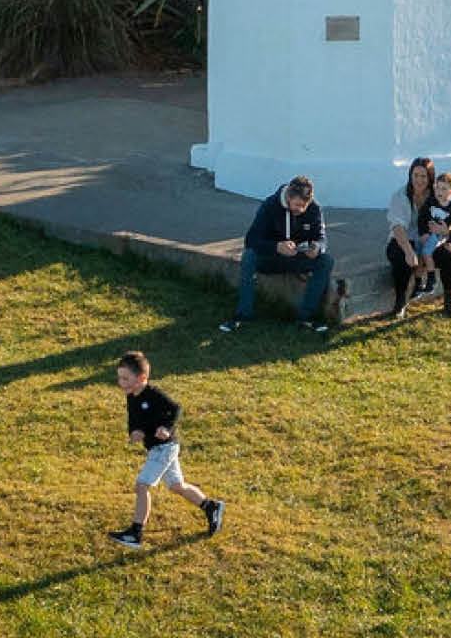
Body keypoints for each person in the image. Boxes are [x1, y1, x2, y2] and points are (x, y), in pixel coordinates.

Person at [110, 350, 221, 550]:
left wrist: (166, 428)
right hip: (157, 448)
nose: (121, 382)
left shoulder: (153, 394)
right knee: (177, 486)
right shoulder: (131, 397)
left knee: (142, 486)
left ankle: (135, 533)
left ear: (142, 378)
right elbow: (133, 420)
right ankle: (210, 506)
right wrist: (134, 431)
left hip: (165, 447)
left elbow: (175, 409)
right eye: (119, 378)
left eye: (126, 378)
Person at [227, 175, 333, 332]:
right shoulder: (270, 206)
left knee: (326, 261)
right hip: (271, 258)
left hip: (297, 258)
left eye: (304, 205)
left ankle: (306, 317)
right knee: (249, 256)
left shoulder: (314, 208)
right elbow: (251, 240)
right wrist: (276, 247)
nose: (300, 209)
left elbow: (321, 238)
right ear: (288, 197)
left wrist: (317, 247)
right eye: (297, 205)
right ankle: (243, 314)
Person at [386, 165, 451, 320]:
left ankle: (449, 300)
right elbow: (397, 227)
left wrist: (447, 235)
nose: (419, 180)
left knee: (448, 255)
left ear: (430, 178)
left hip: (431, 239)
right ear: (410, 176)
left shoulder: (437, 194)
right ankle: (400, 303)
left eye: (423, 176)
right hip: (404, 240)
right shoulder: (400, 196)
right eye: (415, 175)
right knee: (402, 259)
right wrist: (409, 251)